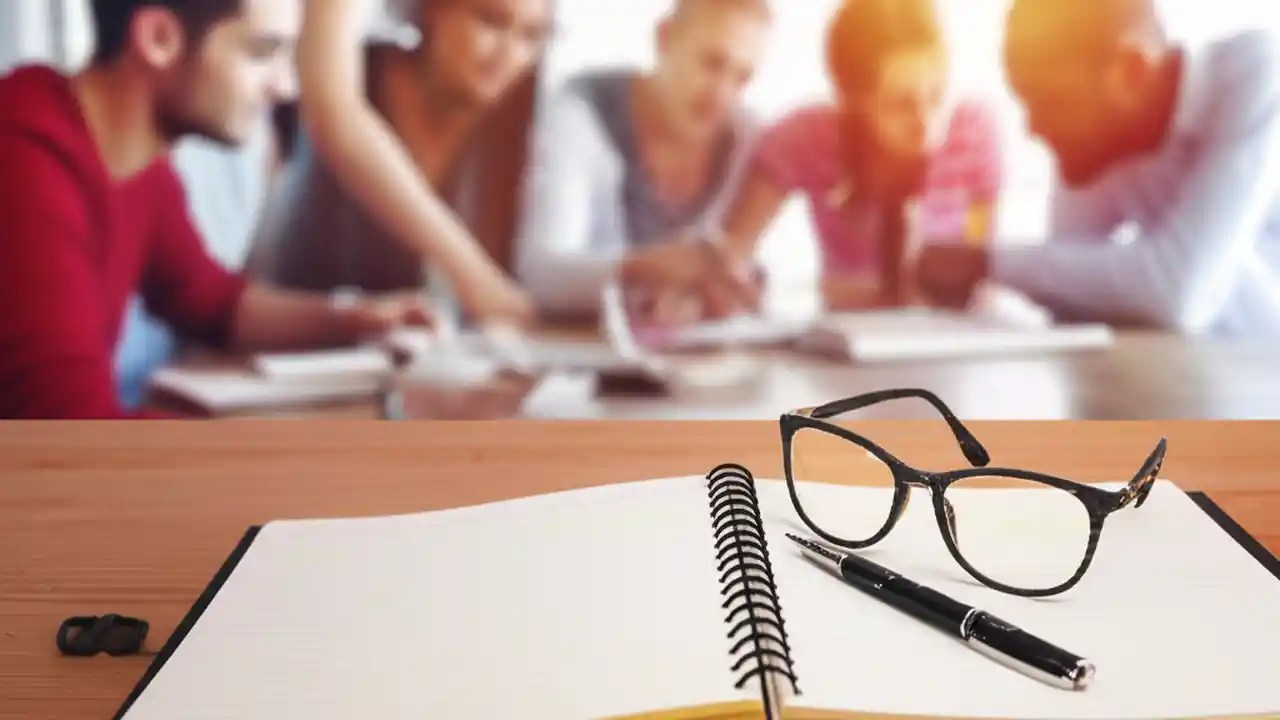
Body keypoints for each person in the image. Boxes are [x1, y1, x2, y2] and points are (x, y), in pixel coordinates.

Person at [0, 0, 431, 419]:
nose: (284, 87)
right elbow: (72, 427)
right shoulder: (22, 159)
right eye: (261, 52)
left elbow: (210, 302)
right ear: (159, 39)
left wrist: (358, 320)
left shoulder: (133, 161)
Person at [918, 0, 1280, 338]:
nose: (1034, 128)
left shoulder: (1255, 72)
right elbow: (1068, 295)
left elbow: (1177, 294)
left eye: (1051, 101)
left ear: (1132, 71)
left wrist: (988, 262)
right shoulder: (1098, 143)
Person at [254, 0, 551, 325]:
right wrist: (477, 280)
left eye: (533, 35)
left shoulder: (524, 117)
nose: (509, 53)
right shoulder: (357, 81)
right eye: (490, 22)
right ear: (431, 10)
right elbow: (333, 113)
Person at [721, 0, 1002, 311]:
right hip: (847, 330)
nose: (926, 122)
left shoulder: (973, 130)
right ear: (854, 103)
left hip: (946, 333)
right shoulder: (807, 137)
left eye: (937, 94)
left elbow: (981, 269)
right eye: (901, 103)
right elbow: (728, 257)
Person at [515, 0, 770, 320]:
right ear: (664, 38)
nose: (722, 92)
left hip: (686, 356)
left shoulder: (744, 137)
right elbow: (540, 275)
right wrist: (648, 268)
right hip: (575, 352)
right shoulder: (582, 110)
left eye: (742, 77)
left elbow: (737, 272)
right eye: (711, 64)